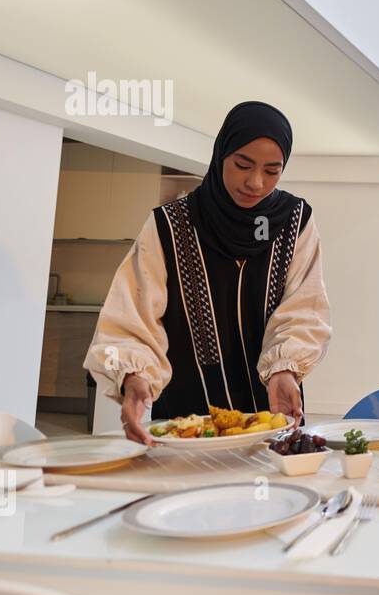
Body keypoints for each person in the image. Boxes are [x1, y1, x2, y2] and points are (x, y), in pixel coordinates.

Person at [85, 101, 331, 442]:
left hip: (272, 415)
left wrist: (285, 370)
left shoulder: (295, 221)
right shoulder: (169, 225)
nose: (255, 182)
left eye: (272, 171)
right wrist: (133, 376)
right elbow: (131, 316)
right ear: (220, 155)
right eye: (242, 165)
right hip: (186, 421)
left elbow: (304, 310)